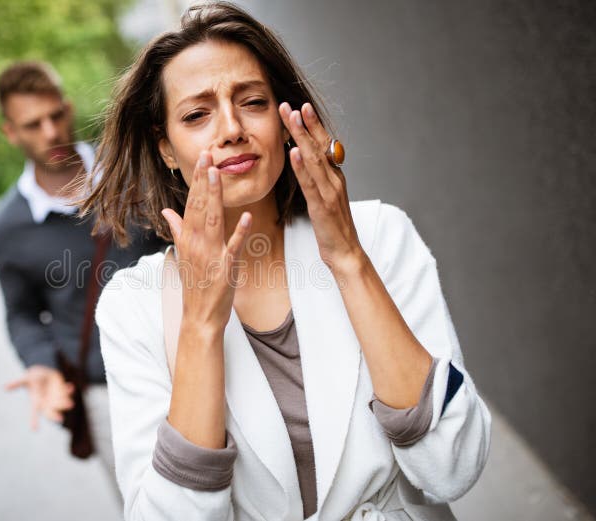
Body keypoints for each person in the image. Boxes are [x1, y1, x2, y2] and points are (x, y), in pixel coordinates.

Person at [80, 3, 491, 520]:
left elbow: (455, 466)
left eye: (251, 102)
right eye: (196, 114)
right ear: (165, 148)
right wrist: (202, 326)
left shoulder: (382, 236)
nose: (231, 128)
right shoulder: (132, 306)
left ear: (285, 117)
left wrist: (347, 259)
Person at [0, 61, 164, 480]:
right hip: (105, 393)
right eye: (33, 124)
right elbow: (21, 313)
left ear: (67, 109)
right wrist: (40, 362)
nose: (51, 132)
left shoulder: (132, 170)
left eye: (56, 116)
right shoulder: (6, 228)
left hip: (189, 357)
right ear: (10, 132)